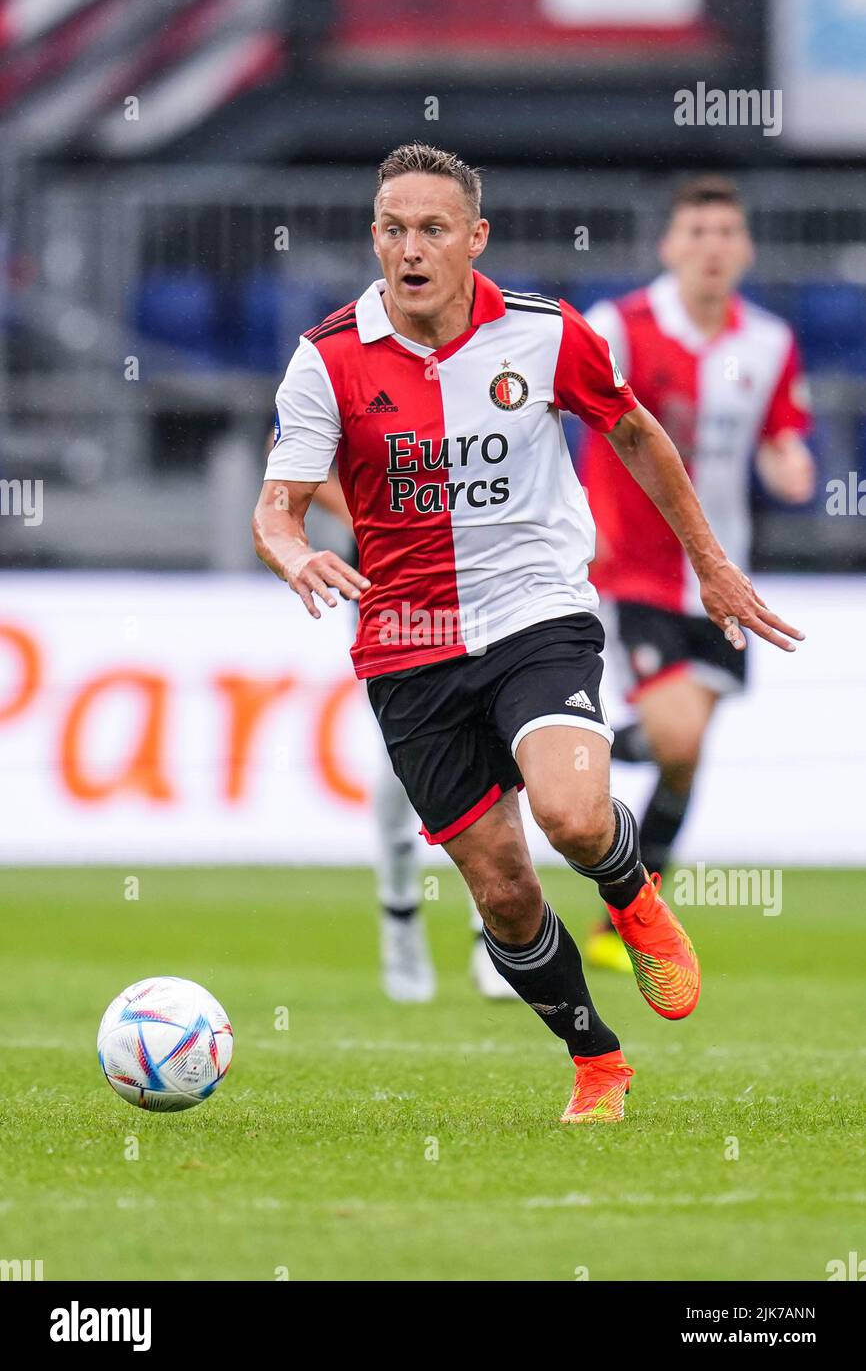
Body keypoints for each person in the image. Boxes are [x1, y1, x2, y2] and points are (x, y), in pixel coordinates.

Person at [253, 143, 804, 1124]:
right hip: (406, 640)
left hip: (534, 611)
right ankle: (596, 1061)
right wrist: (292, 552)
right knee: (502, 890)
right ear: (374, 237)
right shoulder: (325, 357)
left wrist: (711, 563)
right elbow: (276, 505)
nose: (409, 249)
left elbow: (633, 430)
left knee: (574, 815)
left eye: (432, 229)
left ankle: (631, 898)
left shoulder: (545, 335)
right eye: (392, 228)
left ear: (475, 238)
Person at [580, 175, 815, 970]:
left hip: (724, 576)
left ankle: (621, 926)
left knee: (683, 751)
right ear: (670, 246)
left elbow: (782, 431)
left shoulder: (770, 343)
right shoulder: (620, 327)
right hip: (636, 567)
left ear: (745, 249)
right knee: (678, 731)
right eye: (698, 231)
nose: (713, 246)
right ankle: (549, 759)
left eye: (727, 232)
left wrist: (791, 462)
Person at [309, 467, 516, 1003]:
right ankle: (399, 913)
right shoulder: (341, 379)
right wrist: (377, 516)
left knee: (494, 748)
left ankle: (494, 939)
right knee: (401, 760)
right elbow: (286, 456)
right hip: (393, 582)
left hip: (487, 576)